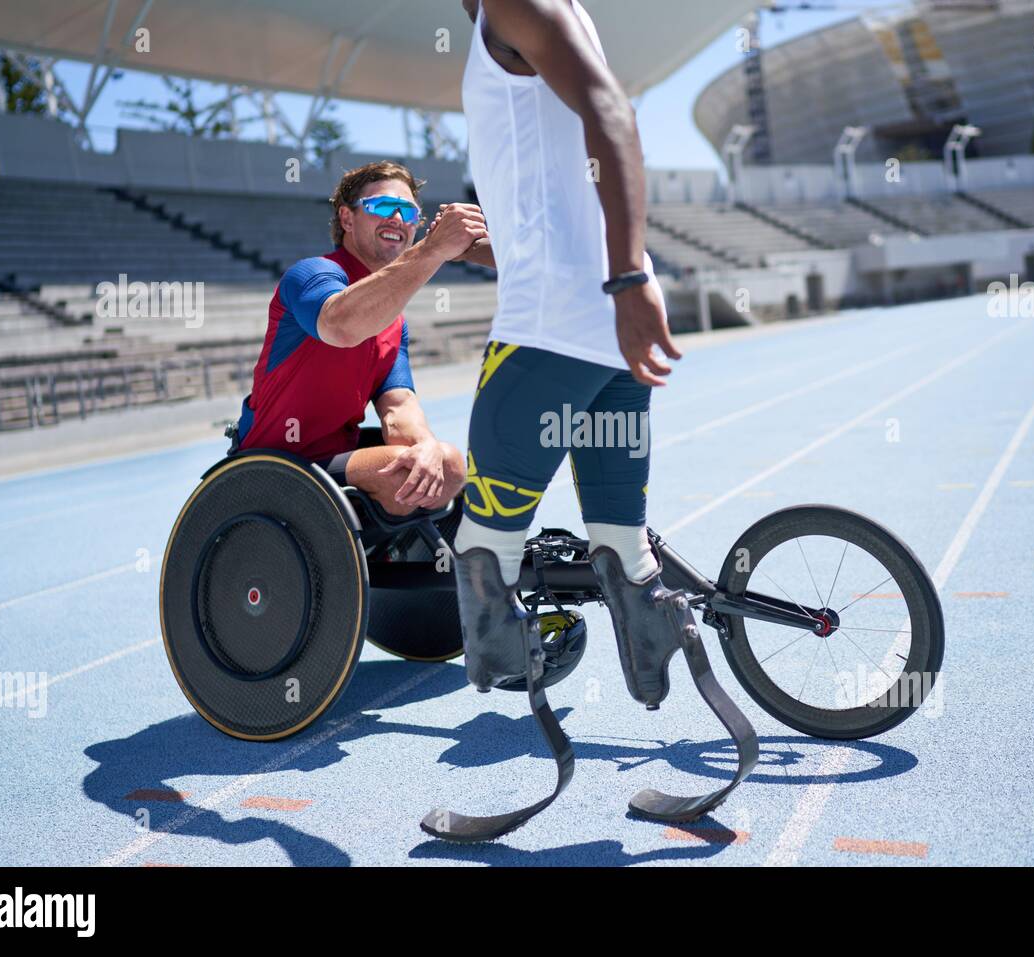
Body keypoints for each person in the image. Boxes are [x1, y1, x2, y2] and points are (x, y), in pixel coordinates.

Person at [419, 0, 757, 842]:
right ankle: (677, 673)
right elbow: (568, 165)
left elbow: (614, 112)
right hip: (602, 343)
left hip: (549, 333)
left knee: (482, 556)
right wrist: (614, 277)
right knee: (622, 544)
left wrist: (624, 279)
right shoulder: (556, 13)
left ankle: (532, 712)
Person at [236, 160, 489, 515]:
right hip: (274, 465)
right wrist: (433, 249)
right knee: (407, 473)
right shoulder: (313, 273)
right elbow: (341, 326)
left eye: (407, 210)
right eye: (382, 206)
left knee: (446, 464)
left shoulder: (394, 323)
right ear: (347, 219)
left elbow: (399, 408)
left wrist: (425, 446)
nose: (397, 219)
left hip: (330, 462)